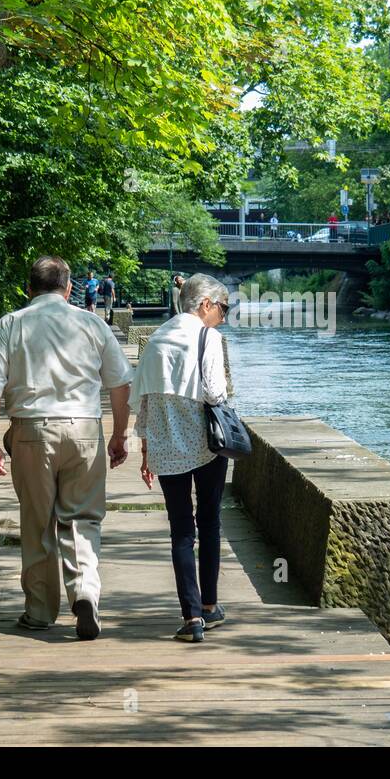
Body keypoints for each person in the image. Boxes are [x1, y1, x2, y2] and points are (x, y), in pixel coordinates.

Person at [0, 256, 133, 640]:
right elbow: (120, 385)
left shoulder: (10, 324)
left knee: (38, 522)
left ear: (29, 288)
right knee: (82, 518)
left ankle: (40, 611)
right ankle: (86, 592)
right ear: (68, 287)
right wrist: (119, 434)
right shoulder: (92, 324)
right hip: (83, 430)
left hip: (31, 431)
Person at [131, 274, 231, 643]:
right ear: (205, 303)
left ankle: (191, 619)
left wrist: (144, 450)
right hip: (206, 444)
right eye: (222, 308)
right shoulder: (209, 337)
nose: (223, 316)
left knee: (180, 530)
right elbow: (215, 393)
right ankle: (210, 606)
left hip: (166, 445)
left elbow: (144, 400)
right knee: (209, 522)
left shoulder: (155, 339)